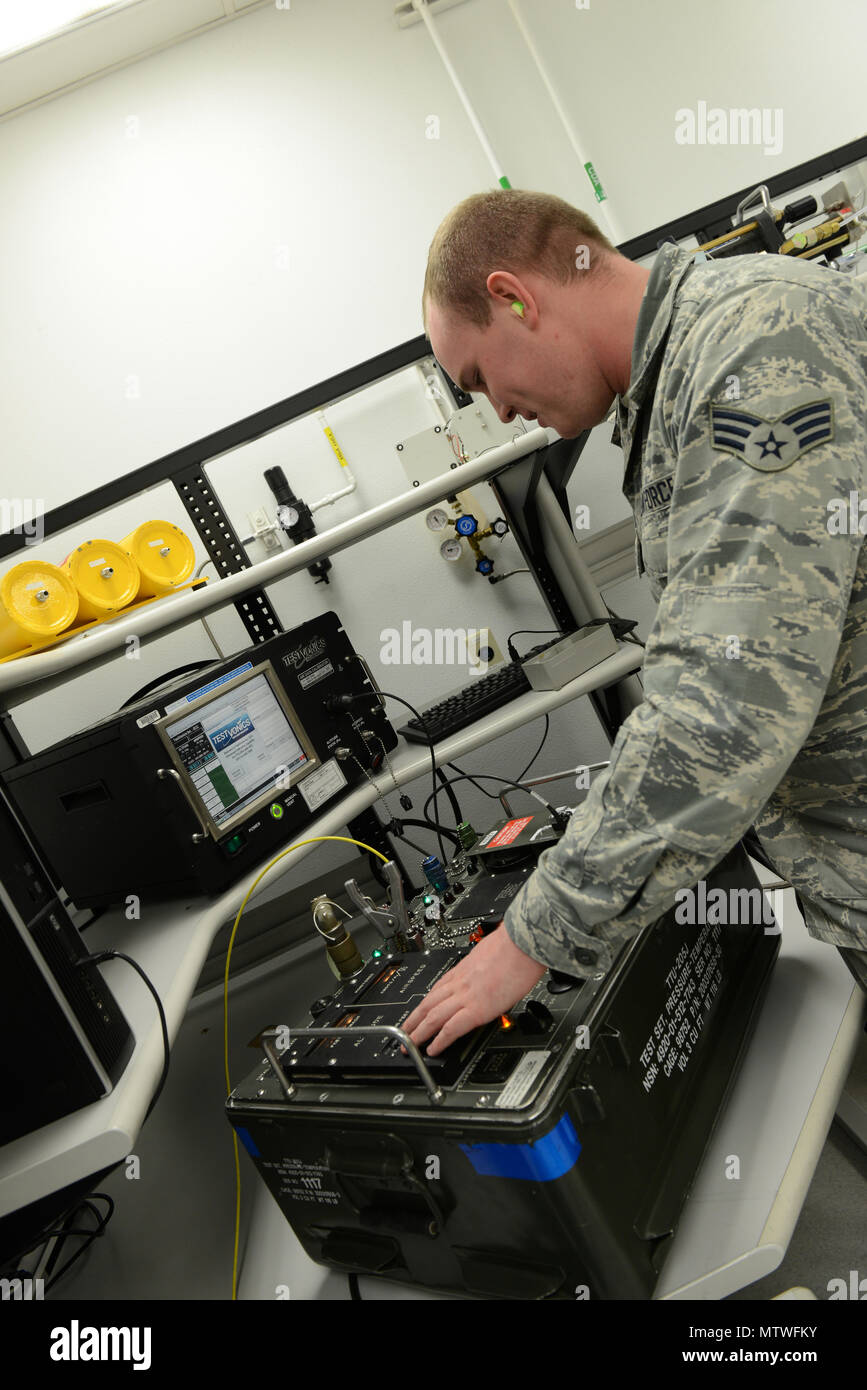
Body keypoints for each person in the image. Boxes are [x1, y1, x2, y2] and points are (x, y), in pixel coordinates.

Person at [401, 187, 867, 1058]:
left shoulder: (753, 346)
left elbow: (728, 698)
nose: (495, 411)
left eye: (476, 379)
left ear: (512, 296)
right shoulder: (679, 383)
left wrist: (533, 935)